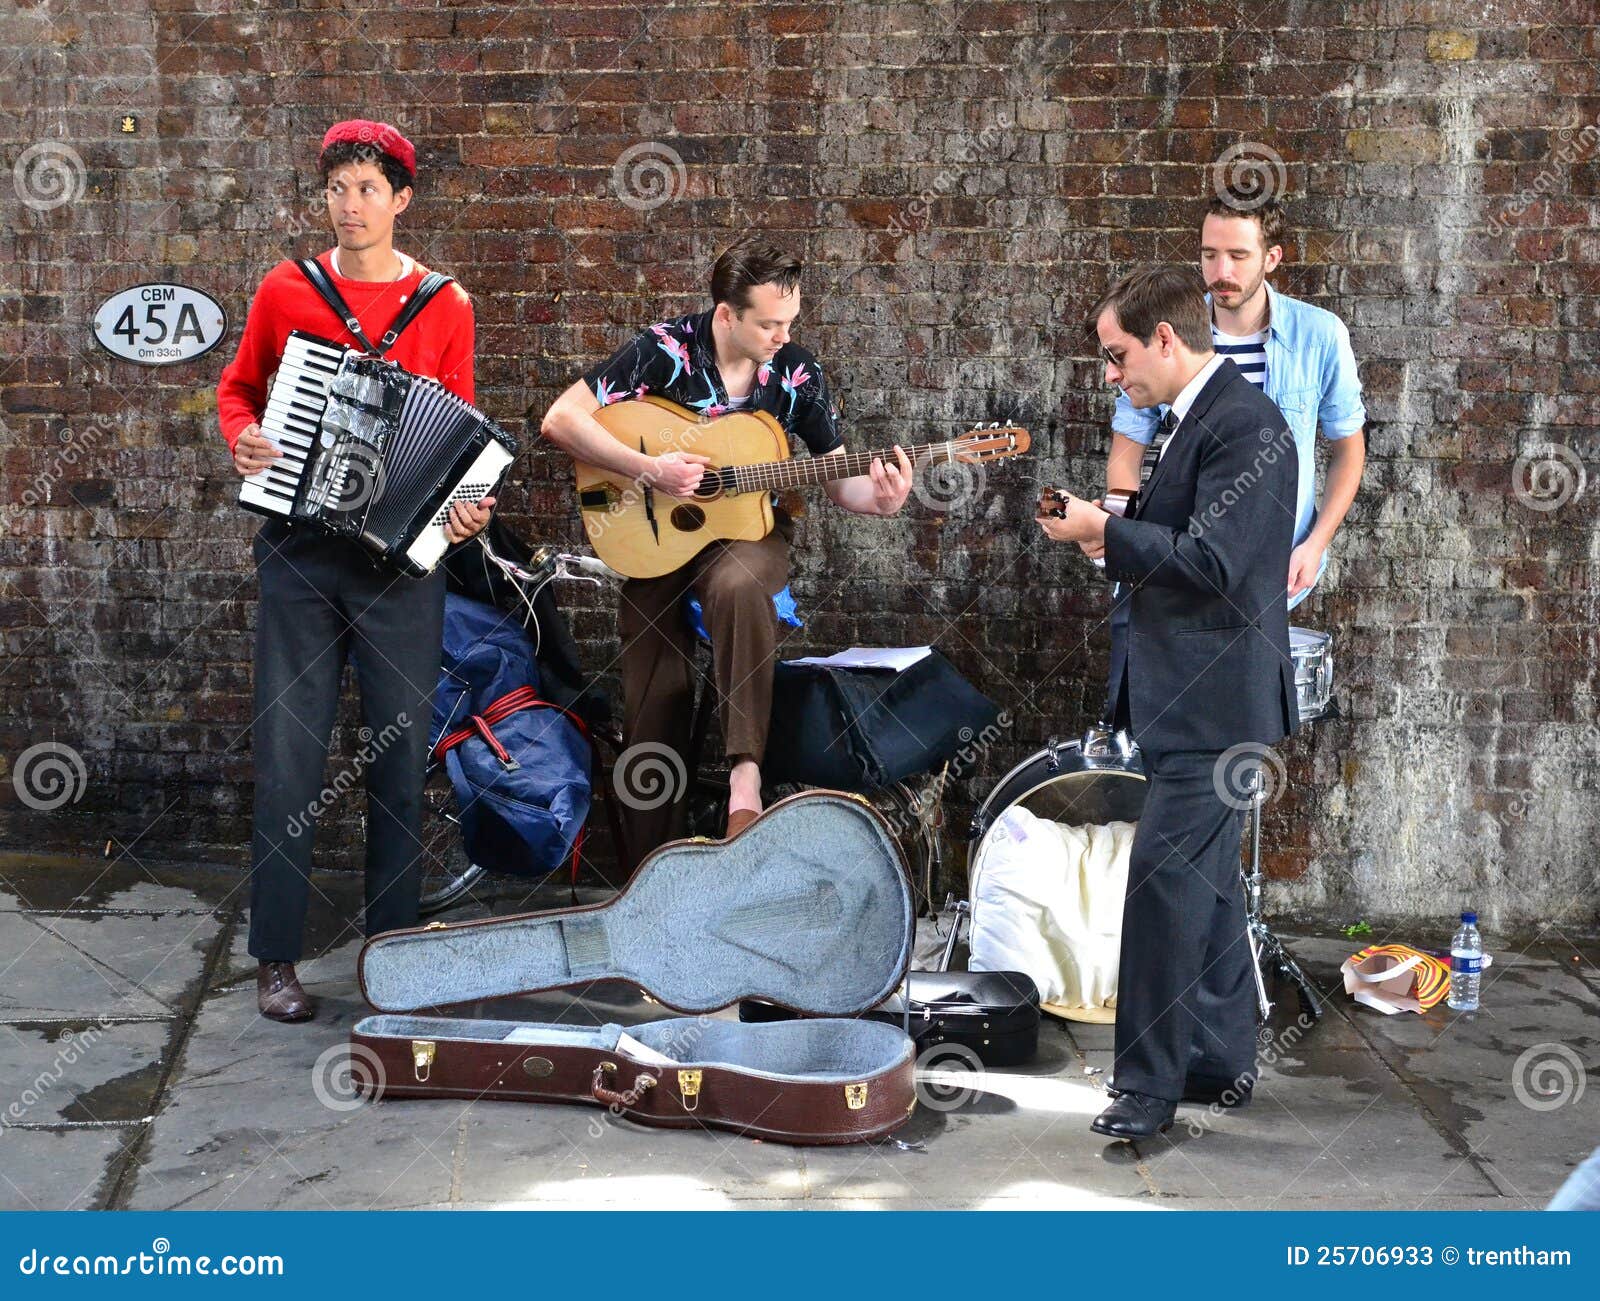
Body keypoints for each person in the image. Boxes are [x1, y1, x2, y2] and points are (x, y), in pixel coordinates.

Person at [217, 119, 493, 1022]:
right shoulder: (287, 289)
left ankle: (393, 949)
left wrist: (466, 505)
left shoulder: (445, 306)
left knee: (399, 758)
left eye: (368, 189)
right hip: (299, 554)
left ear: (401, 200)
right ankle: (277, 959)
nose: (350, 205)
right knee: (290, 758)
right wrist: (245, 440)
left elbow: (458, 432)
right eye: (337, 188)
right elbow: (238, 389)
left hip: (400, 570)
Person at [539, 237, 913, 858]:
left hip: (750, 532)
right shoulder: (664, 352)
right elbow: (562, 420)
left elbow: (839, 476)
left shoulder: (797, 373)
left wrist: (881, 499)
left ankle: (746, 778)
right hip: (655, 532)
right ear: (725, 315)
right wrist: (647, 468)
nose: (780, 335)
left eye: (789, 321)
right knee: (655, 690)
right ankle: (650, 870)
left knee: (739, 584)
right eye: (768, 323)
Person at [1038, 266, 1299, 1139]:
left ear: (1164, 339)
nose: (1113, 376)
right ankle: (1219, 1062)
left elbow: (1215, 566)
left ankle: (1145, 1091)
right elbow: (1185, 553)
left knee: (1159, 887)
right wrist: (1106, 540)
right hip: (1195, 705)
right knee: (1209, 890)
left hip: (1215, 713)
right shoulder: (1197, 422)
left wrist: (1101, 529)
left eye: (1117, 356)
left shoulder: (1247, 428)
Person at [1098, 192, 1365, 722]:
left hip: (1276, 566)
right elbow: (1126, 449)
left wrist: (1317, 542)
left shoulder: (1319, 335)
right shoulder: (1171, 332)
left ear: (1272, 258)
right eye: (1208, 254)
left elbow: (1347, 450)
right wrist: (1117, 537)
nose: (1220, 271)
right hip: (1183, 563)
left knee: (1241, 725)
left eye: (1238, 256)